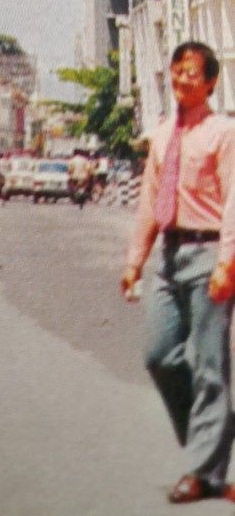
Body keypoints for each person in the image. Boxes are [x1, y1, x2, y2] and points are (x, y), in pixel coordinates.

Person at [121, 41, 235, 504]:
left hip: (210, 252)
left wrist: (228, 261)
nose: (182, 79)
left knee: (210, 365)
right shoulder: (163, 133)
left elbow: (234, 202)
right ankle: (215, 437)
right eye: (177, 70)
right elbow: (150, 201)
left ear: (210, 82)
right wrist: (134, 260)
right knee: (159, 355)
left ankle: (202, 467)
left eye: (193, 73)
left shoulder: (224, 133)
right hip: (169, 255)